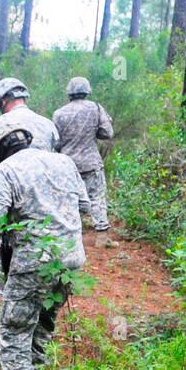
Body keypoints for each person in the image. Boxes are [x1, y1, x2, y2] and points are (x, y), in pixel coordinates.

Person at [0, 123, 90, 370]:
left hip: (33, 262)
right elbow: (84, 206)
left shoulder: (5, 170)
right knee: (44, 321)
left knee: (16, 328)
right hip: (72, 258)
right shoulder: (64, 162)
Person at [52, 76, 117, 248]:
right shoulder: (95, 108)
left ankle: (69, 238)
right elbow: (107, 133)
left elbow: (55, 142)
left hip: (66, 164)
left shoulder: (59, 113)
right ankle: (102, 237)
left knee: (68, 199)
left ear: (69, 93)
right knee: (96, 197)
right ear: (87, 91)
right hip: (90, 162)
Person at [0, 76, 59, 186]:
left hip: (13, 187)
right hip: (45, 186)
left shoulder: (1, 123)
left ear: (3, 101)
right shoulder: (47, 123)